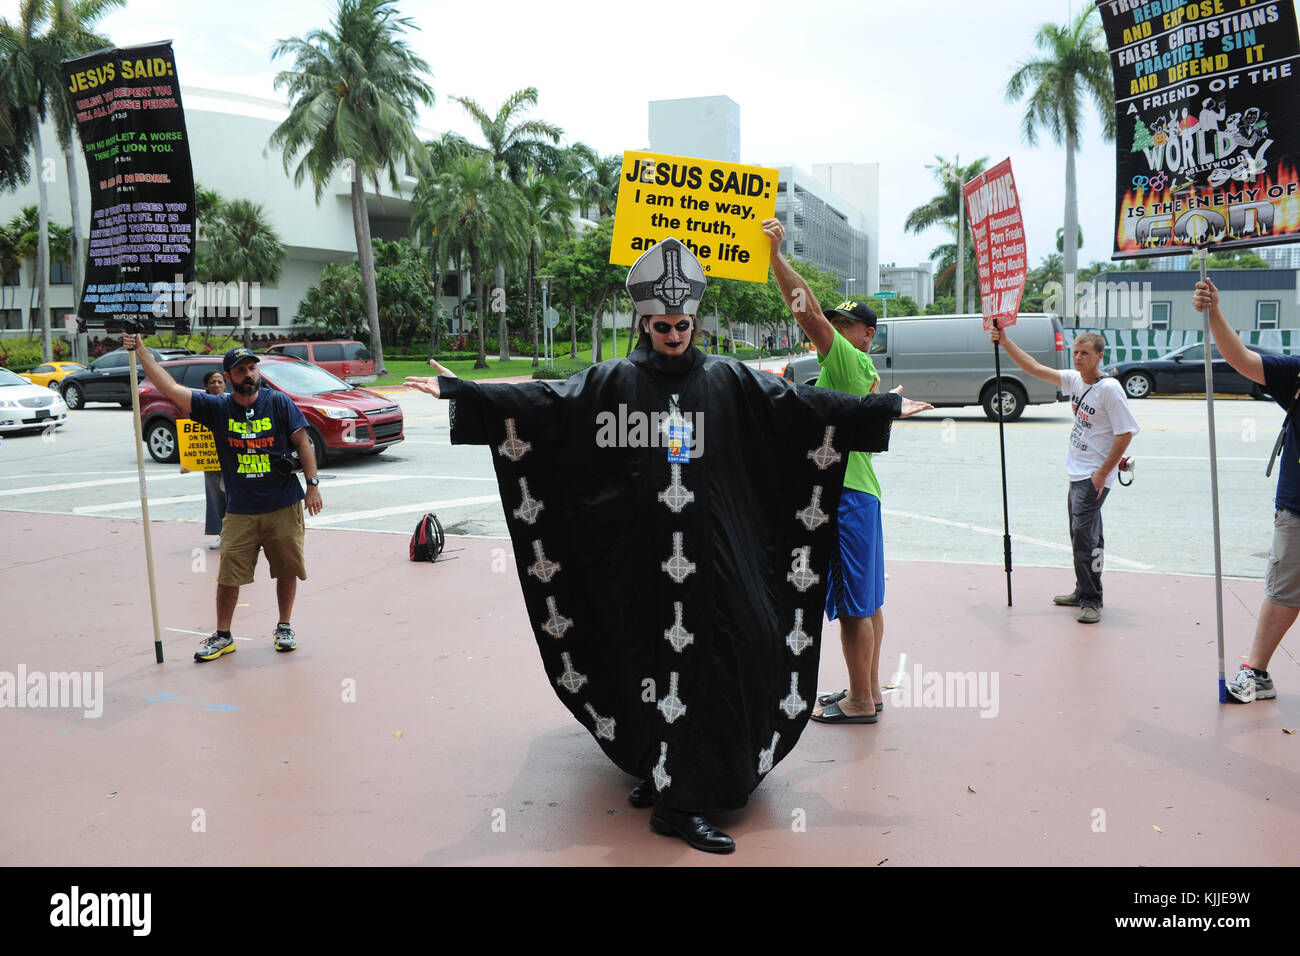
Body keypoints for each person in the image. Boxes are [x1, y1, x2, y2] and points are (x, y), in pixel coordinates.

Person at [404, 237, 930, 853]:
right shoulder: (615, 381)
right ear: (644, 322)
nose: (673, 334)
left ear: (694, 321)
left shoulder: (729, 380)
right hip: (638, 561)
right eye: (661, 325)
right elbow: (549, 407)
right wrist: (466, 394)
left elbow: (800, 408)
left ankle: (672, 774)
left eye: (682, 324)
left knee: (728, 657)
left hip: (716, 562)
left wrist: (880, 410)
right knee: (642, 662)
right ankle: (674, 796)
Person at [764, 217, 891, 724]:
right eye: (836, 325)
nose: (835, 330)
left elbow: (807, 314)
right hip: (863, 493)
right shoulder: (849, 372)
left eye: (847, 325)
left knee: (853, 607)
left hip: (847, 496)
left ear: (866, 335)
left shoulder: (848, 363)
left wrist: (775, 257)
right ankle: (870, 691)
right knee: (870, 601)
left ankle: (859, 701)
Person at [125, 336, 323, 660]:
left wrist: (312, 485)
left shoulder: (278, 402)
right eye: (242, 370)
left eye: (252, 368)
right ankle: (223, 635)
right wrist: (141, 351)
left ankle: (284, 626)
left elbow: (303, 443)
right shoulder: (217, 407)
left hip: (284, 505)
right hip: (241, 510)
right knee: (229, 575)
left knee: (287, 568)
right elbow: (171, 389)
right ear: (229, 377)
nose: (249, 375)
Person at [991, 326, 1139, 623]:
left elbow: (1126, 433)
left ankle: (1091, 600)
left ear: (1099, 356)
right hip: (1078, 473)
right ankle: (1083, 589)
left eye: (1085, 354)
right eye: (1076, 352)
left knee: (1085, 537)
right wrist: (1005, 341)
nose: (1079, 358)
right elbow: (1033, 367)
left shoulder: (1109, 389)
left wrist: (1102, 474)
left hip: (1093, 476)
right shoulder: (1076, 381)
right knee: (1084, 535)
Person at [1195, 277, 1292, 702]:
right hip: (1299, 507)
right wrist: (1214, 311)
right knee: (1285, 590)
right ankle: (1258, 673)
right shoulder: (1298, 371)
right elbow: (1242, 359)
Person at [200, 369, 227, 550]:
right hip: (210, 459)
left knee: (240, 497)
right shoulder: (199, 404)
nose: (216, 385)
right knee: (215, 497)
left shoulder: (235, 401)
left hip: (234, 458)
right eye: (212, 382)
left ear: (225, 384)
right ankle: (221, 533)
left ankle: (251, 536)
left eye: (219, 381)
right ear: (206, 386)